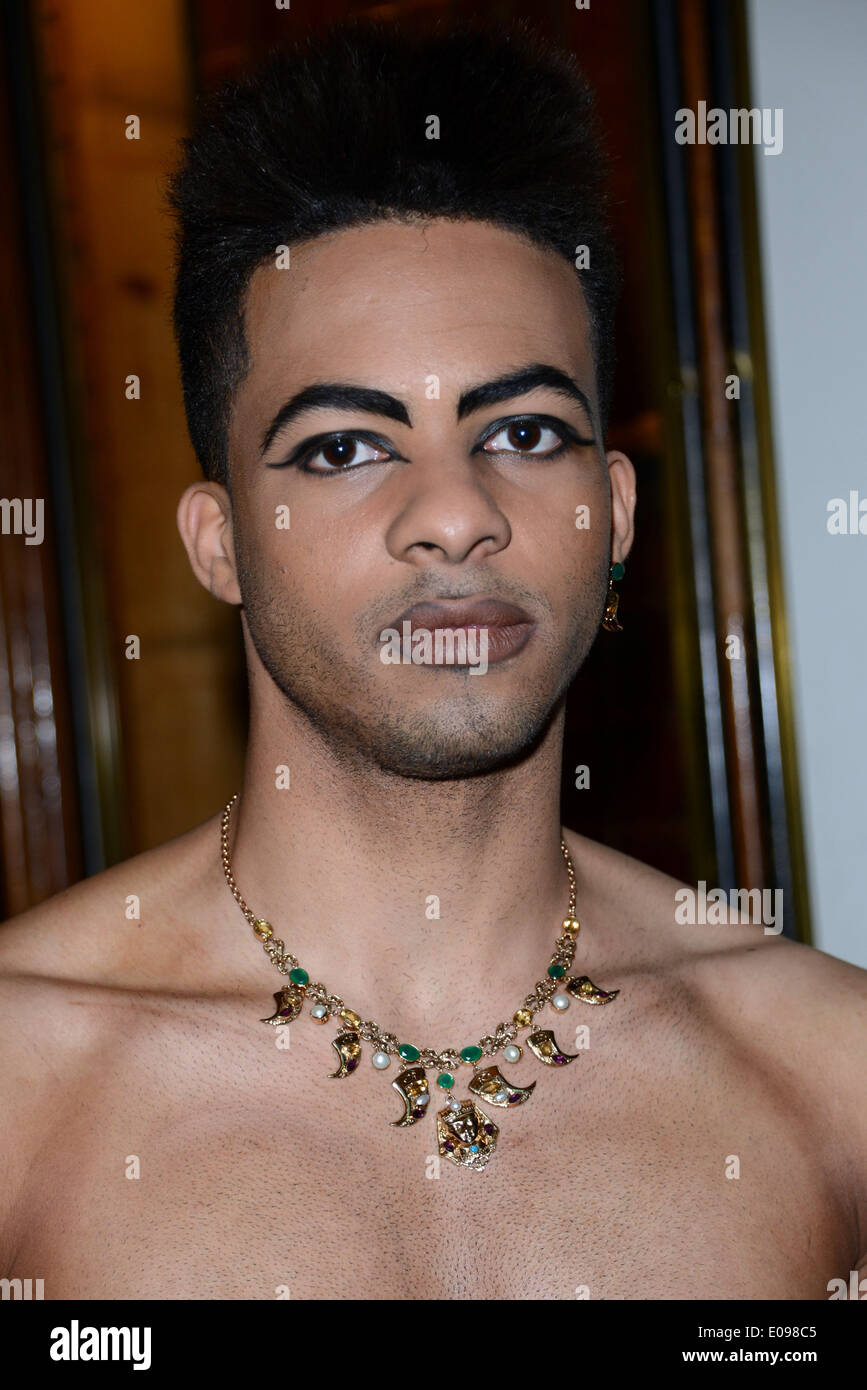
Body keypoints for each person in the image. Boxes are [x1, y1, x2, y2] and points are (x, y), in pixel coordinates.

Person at [1, 18, 864, 1301]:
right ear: (220, 540)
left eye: (522, 428)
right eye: (345, 448)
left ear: (614, 513)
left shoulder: (831, 1075)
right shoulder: (23, 1092)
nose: (455, 514)